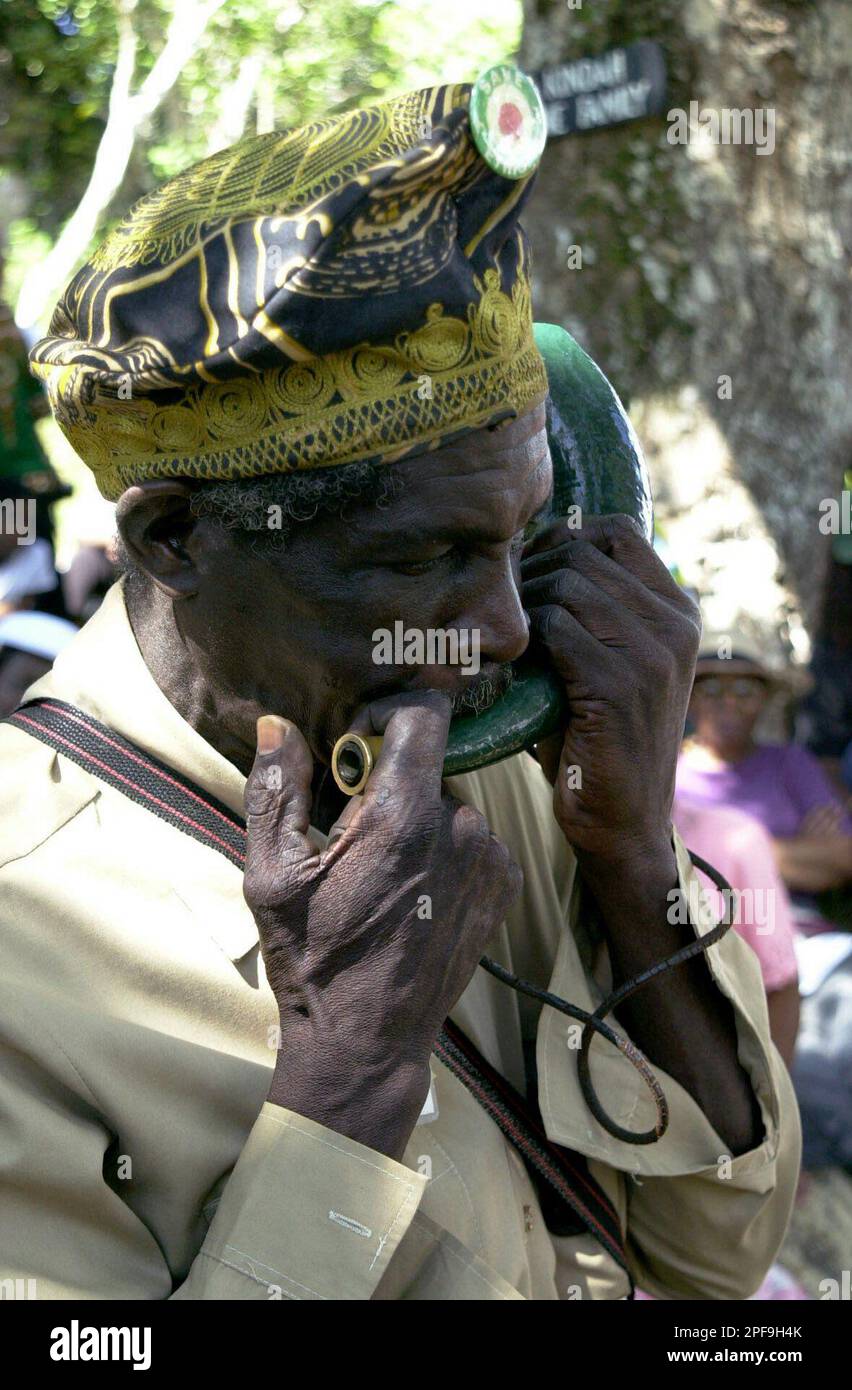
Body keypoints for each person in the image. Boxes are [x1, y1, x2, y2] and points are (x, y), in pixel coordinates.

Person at [0, 76, 799, 1301]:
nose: (505, 626)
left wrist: (633, 858)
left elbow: (714, 1253)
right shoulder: (28, 941)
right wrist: (346, 1084)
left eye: (518, 540)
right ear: (173, 539)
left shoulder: (502, 770)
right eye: (423, 558)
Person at [677, 638, 852, 927]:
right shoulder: (668, 774)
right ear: (689, 699)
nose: (729, 701)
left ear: (764, 700)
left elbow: (843, 857)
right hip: (698, 928)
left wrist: (712, 854)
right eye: (710, 689)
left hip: (800, 931)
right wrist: (798, 851)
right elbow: (661, 872)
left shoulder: (790, 763)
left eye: (745, 690)